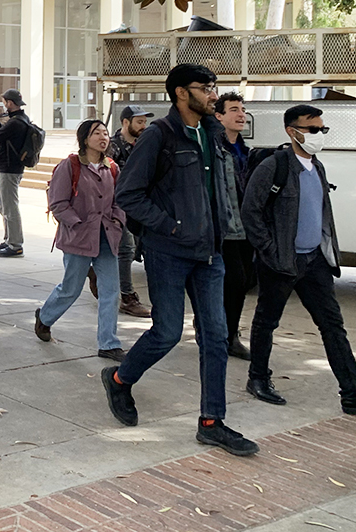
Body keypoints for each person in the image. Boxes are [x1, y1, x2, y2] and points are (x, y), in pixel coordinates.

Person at [107, 64, 258, 456]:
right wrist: (170, 227)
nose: (213, 95)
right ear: (180, 93)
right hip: (169, 252)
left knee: (215, 338)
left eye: (214, 87)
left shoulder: (212, 133)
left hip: (211, 255)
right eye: (205, 88)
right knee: (167, 332)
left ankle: (212, 422)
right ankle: (121, 379)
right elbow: (128, 194)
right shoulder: (160, 135)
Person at [241, 104, 356, 416]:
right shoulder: (275, 166)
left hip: (314, 261)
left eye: (322, 129)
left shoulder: (318, 167)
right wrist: (270, 252)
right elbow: (251, 212)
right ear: (292, 130)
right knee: (266, 321)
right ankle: (258, 378)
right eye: (312, 129)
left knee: (333, 325)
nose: (318, 135)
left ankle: (353, 393)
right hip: (282, 261)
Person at [35, 119, 125, 360]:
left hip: (106, 238)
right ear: (85, 139)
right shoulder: (70, 165)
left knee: (110, 291)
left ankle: (108, 343)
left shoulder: (112, 168)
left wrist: (117, 221)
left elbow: (119, 202)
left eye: (105, 133)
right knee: (71, 289)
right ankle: (44, 317)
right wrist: (77, 223)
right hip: (78, 239)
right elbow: (58, 203)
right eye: (97, 133)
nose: (103, 137)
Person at [213, 92, 253, 360]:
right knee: (233, 283)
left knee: (244, 282)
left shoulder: (247, 152)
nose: (241, 115)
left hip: (246, 229)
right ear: (219, 116)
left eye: (242, 110)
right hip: (222, 230)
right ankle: (228, 336)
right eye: (234, 110)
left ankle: (226, 331)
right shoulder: (213, 150)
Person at [106, 105, 154, 319]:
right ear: (126, 122)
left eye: (145, 122)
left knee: (133, 250)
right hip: (117, 205)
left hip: (139, 206)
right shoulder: (113, 147)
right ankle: (127, 298)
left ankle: (98, 272)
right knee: (127, 248)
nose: (144, 126)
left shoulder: (143, 145)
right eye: (139, 122)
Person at [0, 88, 31, 258]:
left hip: (9, 169)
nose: (4, 104)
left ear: (10, 103)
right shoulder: (20, 120)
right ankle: (9, 239)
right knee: (5, 204)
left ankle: (15, 244)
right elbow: (5, 135)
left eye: (5, 102)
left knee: (10, 207)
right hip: (11, 168)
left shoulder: (15, 122)